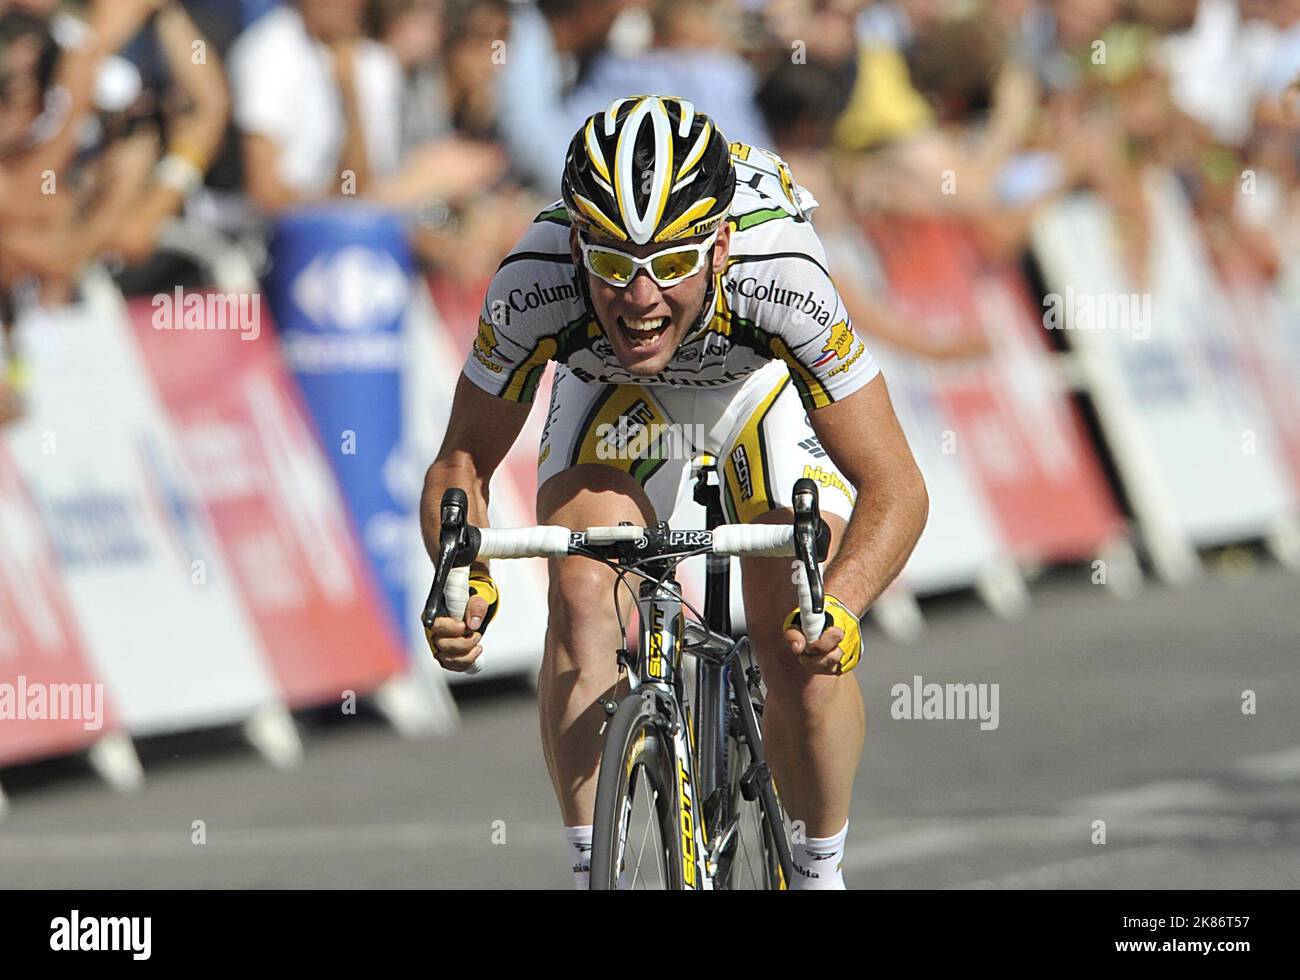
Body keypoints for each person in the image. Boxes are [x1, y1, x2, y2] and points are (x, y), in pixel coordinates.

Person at [420, 96, 929, 890]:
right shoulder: (537, 278)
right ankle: (600, 871)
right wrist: (459, 580)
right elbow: (462, 461)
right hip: (614, 394)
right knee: (583, 589)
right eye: (615, 265)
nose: (641, 297)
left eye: (671, 263)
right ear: (580, 242)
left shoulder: (780, 271)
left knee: (794, 628)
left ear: (720, 246)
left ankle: (821, 870)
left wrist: (847, 602)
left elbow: (894, 482)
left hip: (755, 389)